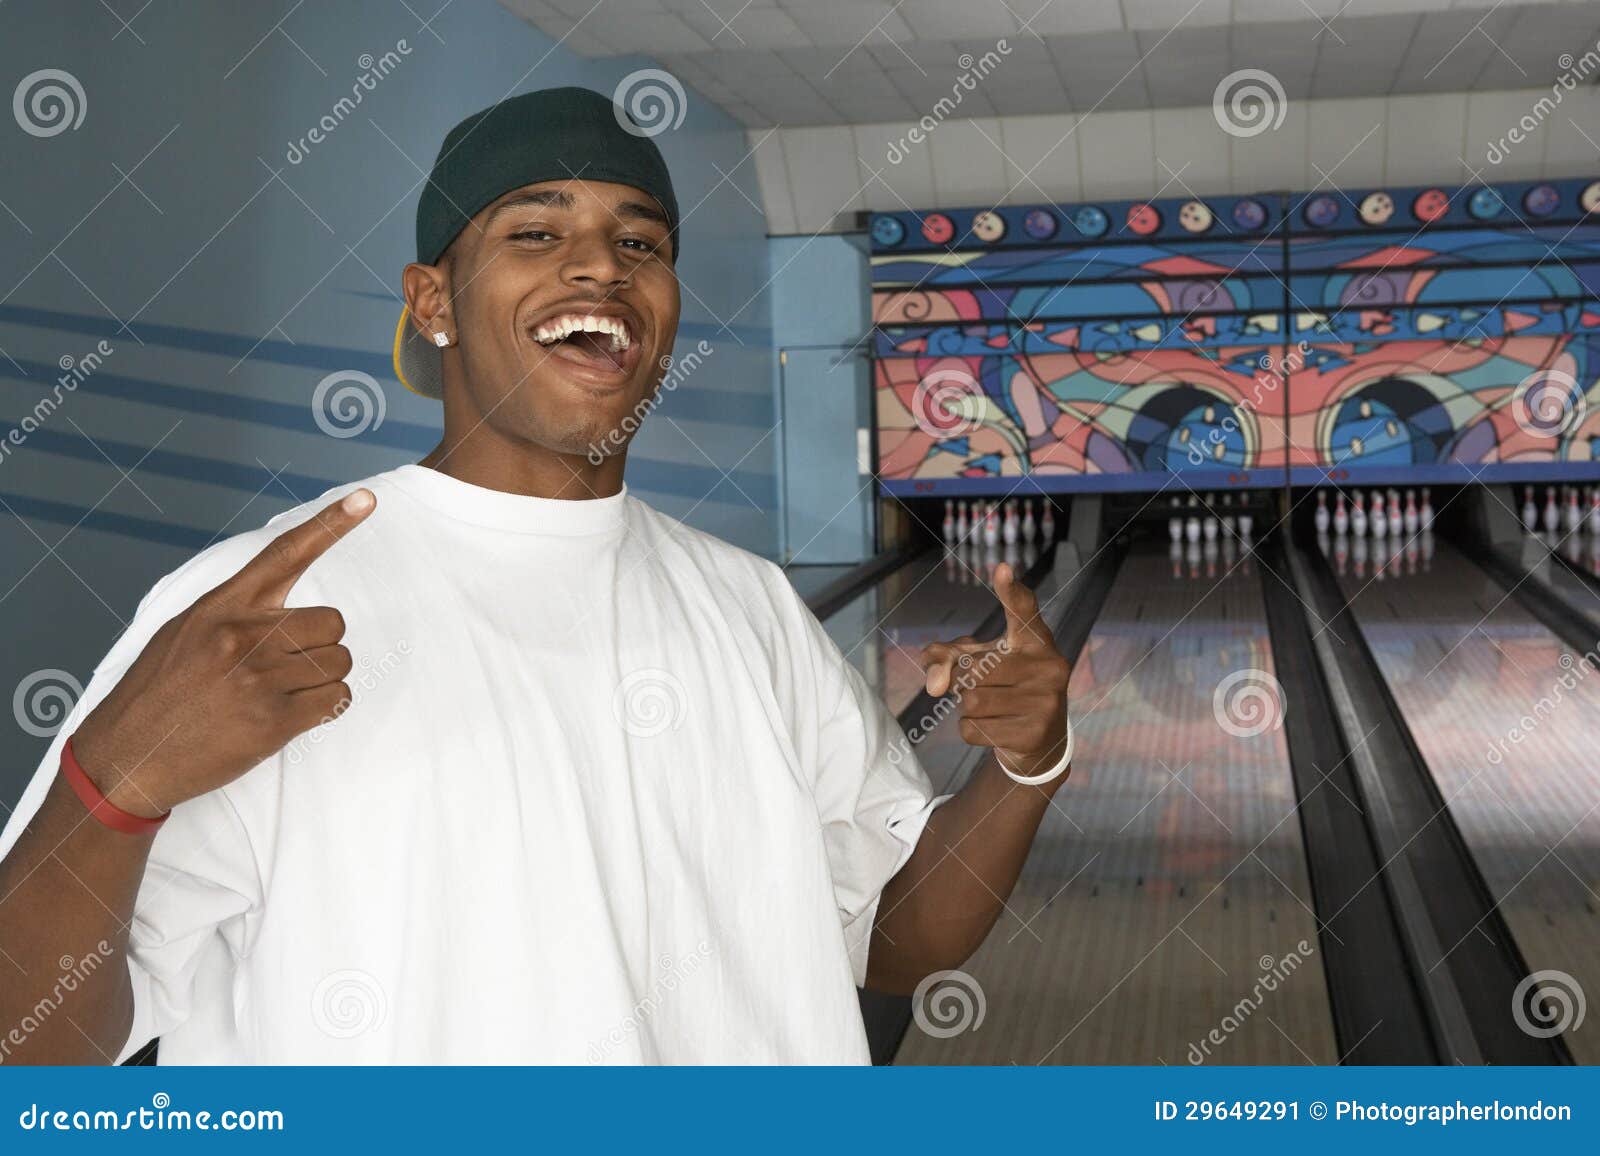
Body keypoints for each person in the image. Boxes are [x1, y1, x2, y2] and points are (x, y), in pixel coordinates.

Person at [0, 87, 1073, 1065]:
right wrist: (112, 786)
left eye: (639, 241)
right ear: (435, 300)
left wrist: (1028, 764)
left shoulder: (751, 606)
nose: (600, 265)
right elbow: (31, 1051)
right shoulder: (254, 610)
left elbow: (894, 940)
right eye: (536, 231)